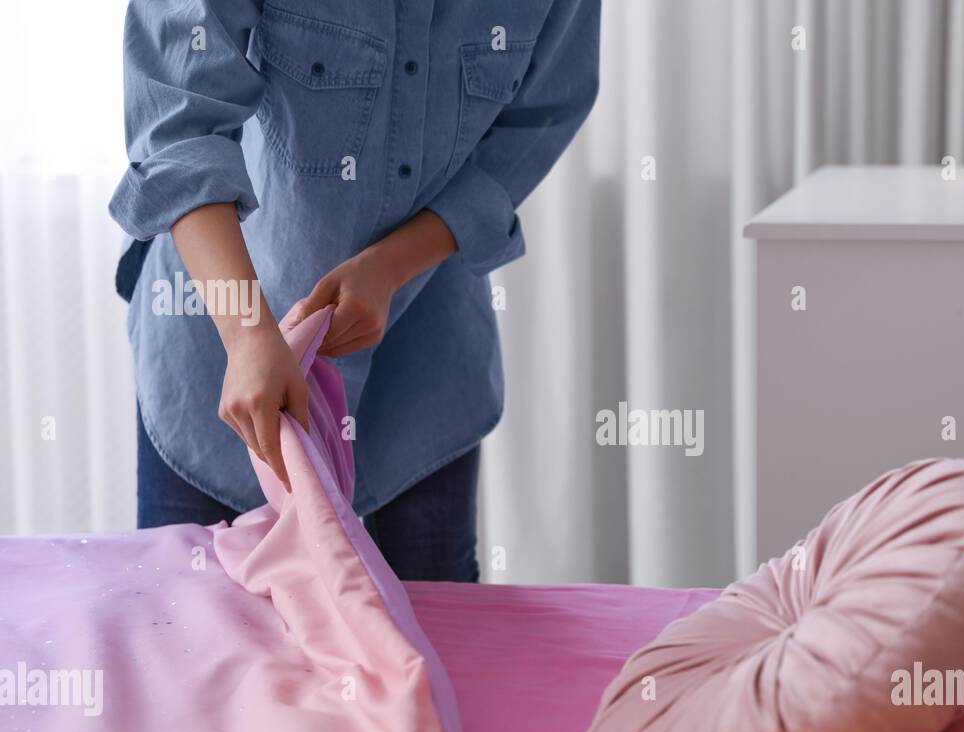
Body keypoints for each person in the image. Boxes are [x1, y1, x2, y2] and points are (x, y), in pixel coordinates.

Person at [110, 0, 600, 581]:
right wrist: (246, 334)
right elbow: (177, 117)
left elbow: (537, 120)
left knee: (439, 632)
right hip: (215, 342)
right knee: (189, 629)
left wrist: (391, 266)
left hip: (421, 365)